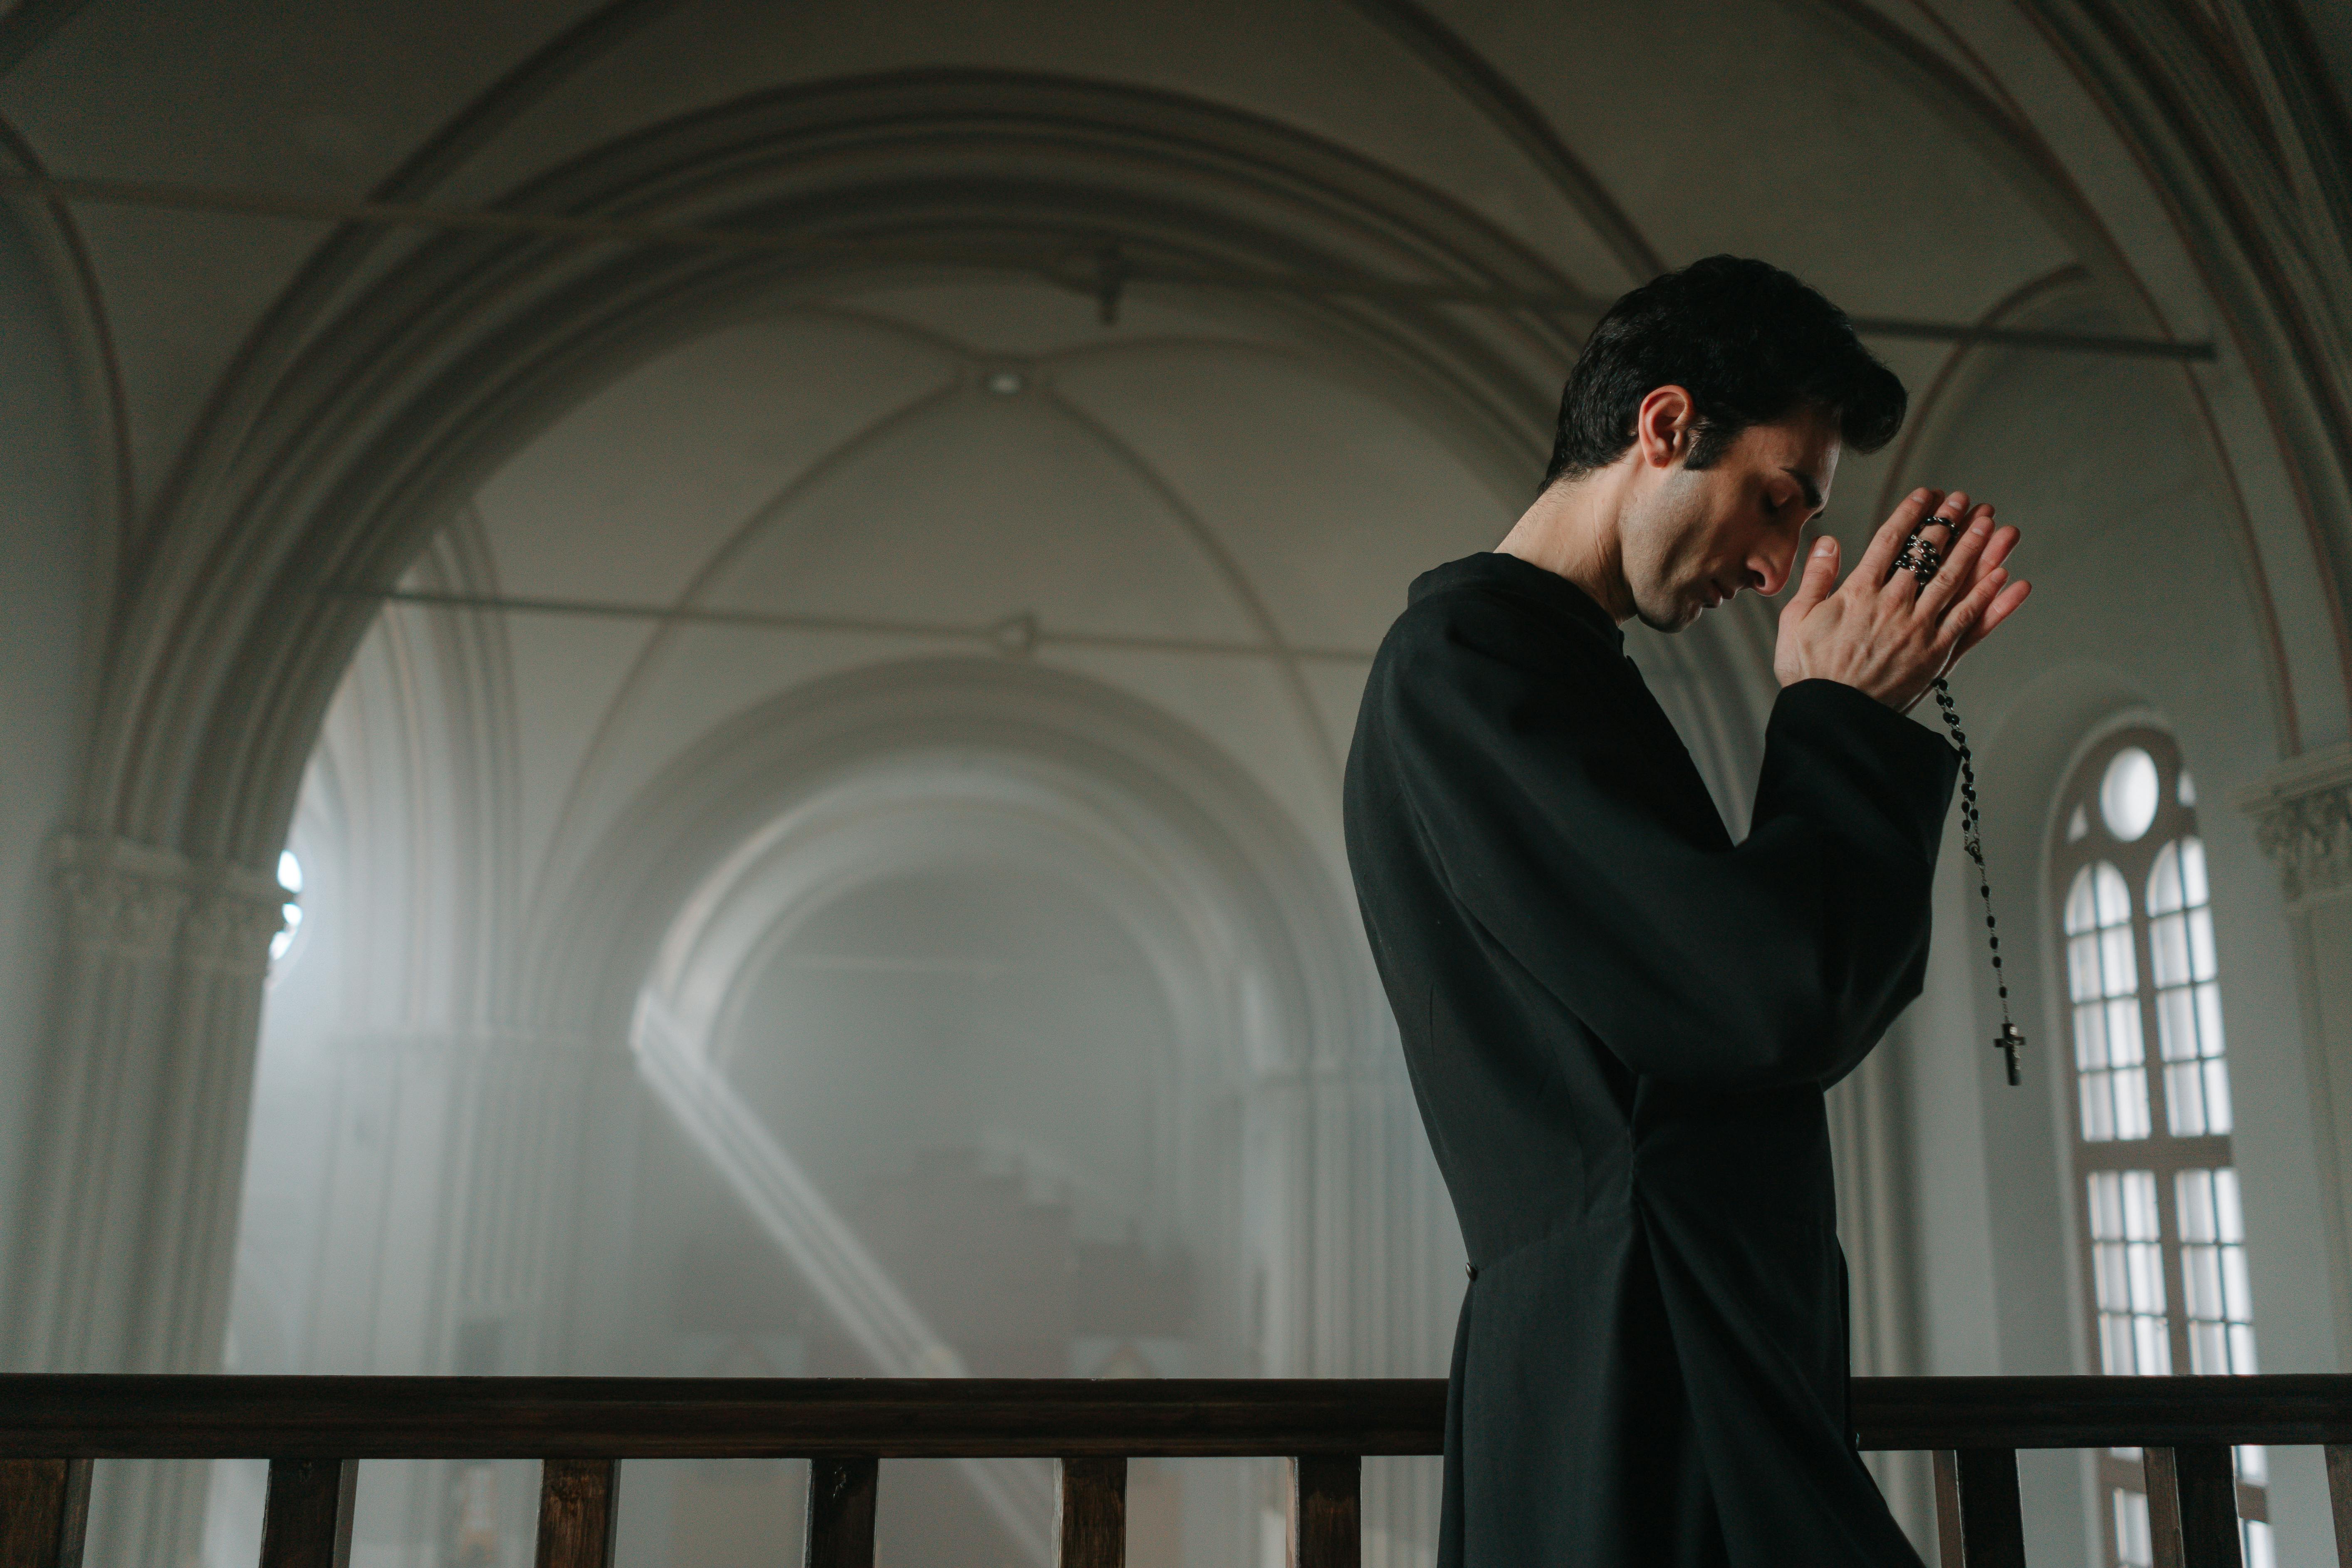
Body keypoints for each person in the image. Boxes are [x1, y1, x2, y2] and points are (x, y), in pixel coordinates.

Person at [1342, 255, 2030, 1567]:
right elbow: (1762, 995)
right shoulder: (1465, 668)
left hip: (1666, 1342)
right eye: (1779, 498)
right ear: (1663, 429)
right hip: (1640, 1366)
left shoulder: (1536, 668)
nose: (1779, 564)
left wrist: (1846, 718)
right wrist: (1832, 721)